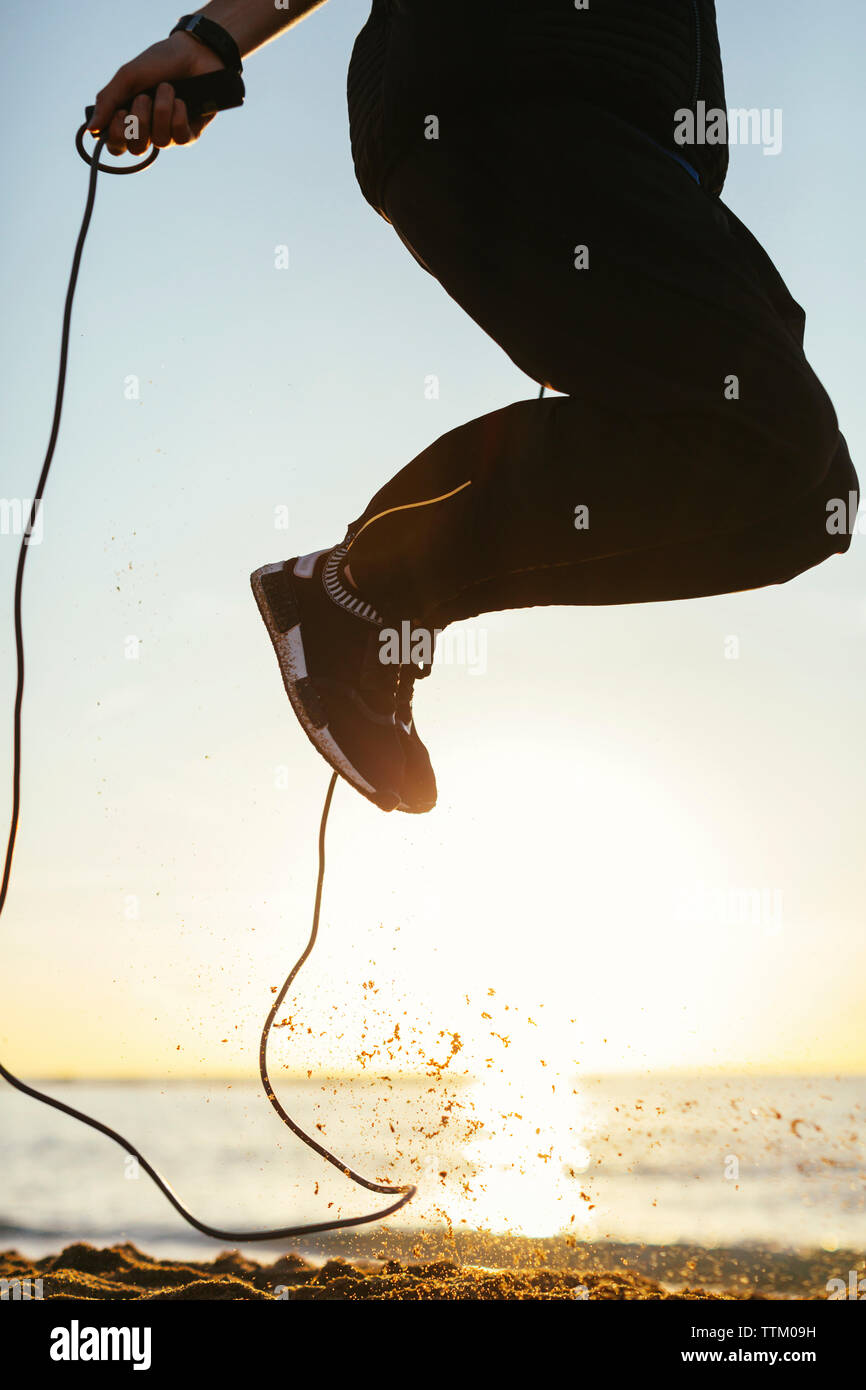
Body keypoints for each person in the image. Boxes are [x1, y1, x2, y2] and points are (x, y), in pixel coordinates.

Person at [89, 1, 859, 815]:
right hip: (509, 83)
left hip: (654, 164)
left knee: (812, 503)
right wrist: (213, 36)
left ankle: (368, 598)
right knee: (771, 431)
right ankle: (363, 590)